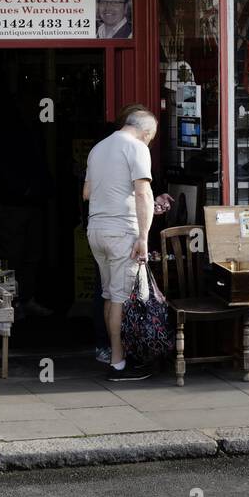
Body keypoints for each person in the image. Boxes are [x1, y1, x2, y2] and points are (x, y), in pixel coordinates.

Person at [83, 105, 158, 379]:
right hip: (122, 231)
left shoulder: (98, 149)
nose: (150, 142)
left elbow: (87, 192)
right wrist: (143, 237)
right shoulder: (137, 147)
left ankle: (115, 355)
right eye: (151, 137)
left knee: (109, 294)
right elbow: (142, 194)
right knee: (121, 298)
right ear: (145, 131)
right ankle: (118, 363)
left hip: (96, 230)